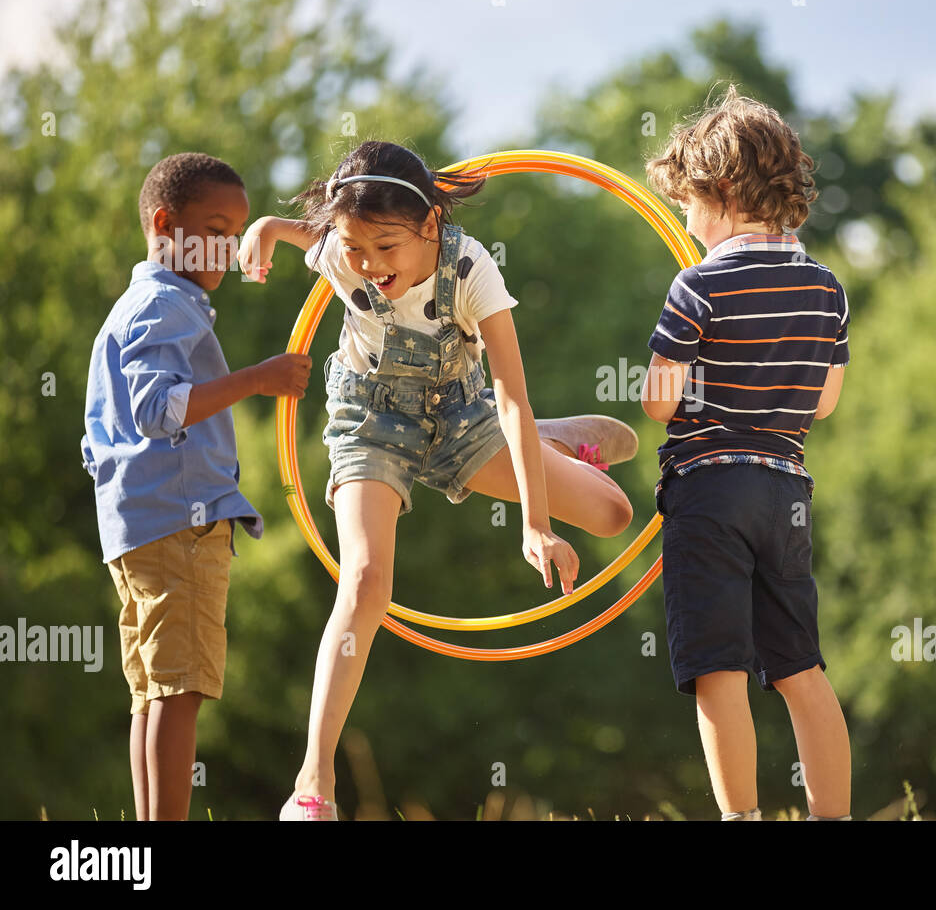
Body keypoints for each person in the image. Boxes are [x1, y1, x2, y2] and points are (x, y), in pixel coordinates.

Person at [238, 140, 637, 820]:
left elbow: (510, 393)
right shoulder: (343, 249)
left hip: (467, 417)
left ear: (429, 224)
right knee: (364, 581)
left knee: (611, 515)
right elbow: (315, 231)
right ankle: (314, 784)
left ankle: (545, 440)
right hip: (370, 420)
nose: (369, 266)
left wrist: (535, 525)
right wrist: (265, 228)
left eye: (386, 248)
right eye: (355, 249)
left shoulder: (471, 268)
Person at [640, 85, 853, 820]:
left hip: (709, 491)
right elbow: (824, 401)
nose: (687, 223)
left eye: (689, 205)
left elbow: (659, 404)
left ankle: (741, 818)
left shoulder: (696, 285)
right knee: (800, 667)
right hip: (786, 493)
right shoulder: (827, 288)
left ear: (723, 191)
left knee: (717, 666)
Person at [80, 152, 312, 820]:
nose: (230, 243)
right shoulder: (167, 304)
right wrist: (258, 378)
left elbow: (101, 431)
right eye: (216, 225)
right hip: (180, 522)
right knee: (180, 690)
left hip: (136, 526)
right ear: (164, 224)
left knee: (154, 693)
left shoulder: (133, 306)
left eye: (238, 228)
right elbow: (160, 409)